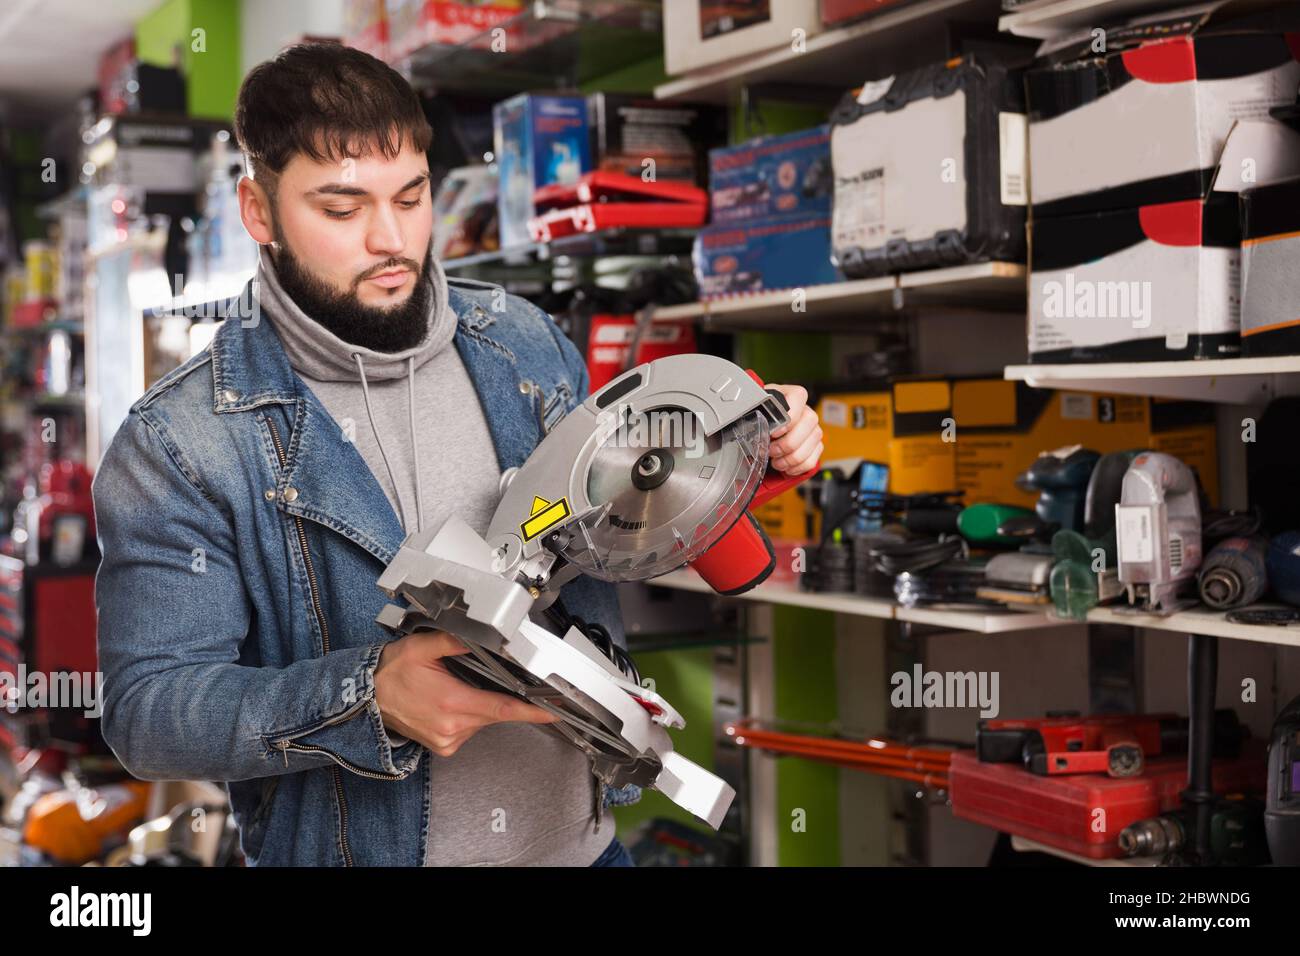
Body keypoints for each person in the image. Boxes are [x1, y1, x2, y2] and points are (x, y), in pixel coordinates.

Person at [92, 42, 824, 867]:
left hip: (585, 853)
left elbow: (613, 533)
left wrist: (740, 460)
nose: (390, 239)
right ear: (258, 212)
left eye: (412, 197)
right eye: (341, 210)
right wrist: (365, 695)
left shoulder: (521, 343)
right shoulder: (180, 442)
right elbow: (148, 712)